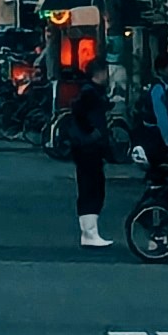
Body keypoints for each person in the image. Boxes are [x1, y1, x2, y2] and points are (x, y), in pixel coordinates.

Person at [61, 60, 113, 249]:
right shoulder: (90, 93)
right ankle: (90, 233)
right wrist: (93, 132)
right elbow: (81, 115)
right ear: (99, 73)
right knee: (92, 187)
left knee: (90, 186)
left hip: (85, 147)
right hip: (88, 147)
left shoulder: (89, 91)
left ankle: (90, 232)